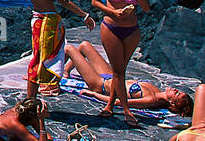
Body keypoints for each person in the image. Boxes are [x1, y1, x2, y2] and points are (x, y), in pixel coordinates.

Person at [24, 0, 95, 99]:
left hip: (40, 20)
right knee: (40, 60)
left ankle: (39, 92)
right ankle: (31, 99)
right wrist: (84, 15)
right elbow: (63, 0)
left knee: (41, 56)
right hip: (45, 23)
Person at [91, 0, 152, 126]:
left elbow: (146, 7)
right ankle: (126, 111)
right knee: (118, 71)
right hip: (111, 28)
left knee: (120, 71)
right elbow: (95, 1)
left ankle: (110, 105)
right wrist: (113, 12)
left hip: (132, 30)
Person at [62, 40, 192, 115]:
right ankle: (66, 71)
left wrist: (93, 94)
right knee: (84, 45)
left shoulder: (150, 99)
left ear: (172, 103)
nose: (175, 90)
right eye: (178, 91)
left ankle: (52, 76)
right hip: (110, 77)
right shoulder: (156, 91)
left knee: (69, 49)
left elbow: (119, 102)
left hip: (99, 84)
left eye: (177, 94)